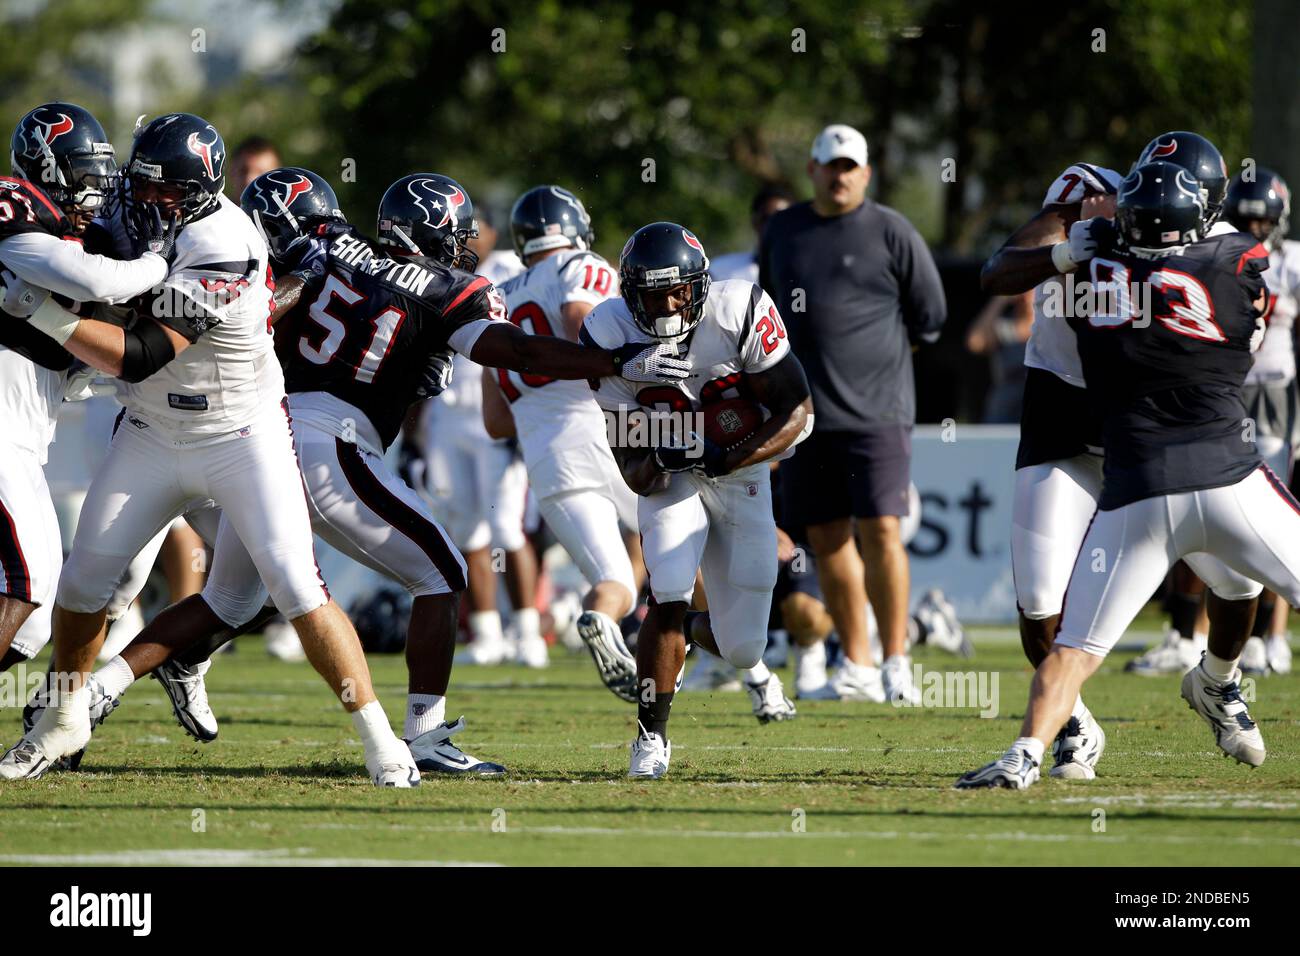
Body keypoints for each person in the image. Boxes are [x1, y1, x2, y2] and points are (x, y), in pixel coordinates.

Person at [54, 170, 695, 776]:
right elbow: (515, 350)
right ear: (430, 231)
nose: (463, 246)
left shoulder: (331, 249)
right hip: (328, 440)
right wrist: (611, 363)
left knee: (229, 600)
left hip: (262, 434)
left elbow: (269, 314)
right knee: (440, 572)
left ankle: (91, 695)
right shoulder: (449, 290)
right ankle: (424, 734)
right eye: (456, 232)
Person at [958, 161, 1275, 790]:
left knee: (1239, 584)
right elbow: (998, 272)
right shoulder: (1077, 213)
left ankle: (1216, 679)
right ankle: (1072, 722)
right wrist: (1065, 251)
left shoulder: (1185, 237)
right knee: (1040, 603)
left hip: (1154, 438)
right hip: (1066, 434)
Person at [583, 221, 812, 778]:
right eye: (651, 292)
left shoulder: (740, 309)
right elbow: (632, 471)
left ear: (699, 284)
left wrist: (725, 457)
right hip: (675, 477)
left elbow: (799, 415)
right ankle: (650, 738)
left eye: (676, 290)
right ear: (627, 292)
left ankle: (688, 631)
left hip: (741, 471)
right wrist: (666, 456)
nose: (665, 304)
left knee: (743, 649)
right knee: (668, 586)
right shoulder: (608, 333)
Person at [759, 123, 945, 704]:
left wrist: (874, 370)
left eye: (850, 166)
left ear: (865, 173)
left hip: (878, 416)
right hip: (804, 417)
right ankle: (859, 665)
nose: (839, 176)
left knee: (883, 530)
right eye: (829, 165)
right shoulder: (783, 231)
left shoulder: (892, 230)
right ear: (812, 170)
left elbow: (930, 318)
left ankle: (897, 663)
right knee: (829, 538)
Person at [0, 102, 168, 678]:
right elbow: (91, 279)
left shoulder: (75, 233)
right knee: (27, 583)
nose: (94, 186)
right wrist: (158, 262)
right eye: (81, 170)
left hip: (26, 432)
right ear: (44, 166)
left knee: (38, 613)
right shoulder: (16, 207)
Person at [481, 185, 642, 699]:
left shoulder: (498, 297)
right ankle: (743, 664)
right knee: (684, 541)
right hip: (605, 432)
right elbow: (585, 333)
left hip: (547, 458)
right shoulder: (580, 266)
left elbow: (495, 423)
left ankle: (598, 617)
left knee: (614, 580)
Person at [1223, 167, 1298, 676]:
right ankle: (1230, 634)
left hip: (1274, 390)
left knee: (1273, 505)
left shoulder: (1291, 262)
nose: (1254, 231)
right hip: (1226, 388)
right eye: (1245, 220)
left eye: (1261, 220)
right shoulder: (1220, 253)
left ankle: (1273, 635)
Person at [709, 185, 794, 283]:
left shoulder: (805, 273)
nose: (773, 226)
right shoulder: (719, 270)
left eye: (781, 219)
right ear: (754, 221)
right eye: (766, 219)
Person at [227, 135, 282, 199]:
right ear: (231, 171)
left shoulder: (291, 208)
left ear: (278, 178)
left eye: (261, 173)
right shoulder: (216, 207)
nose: (249, 179)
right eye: (243, 171)